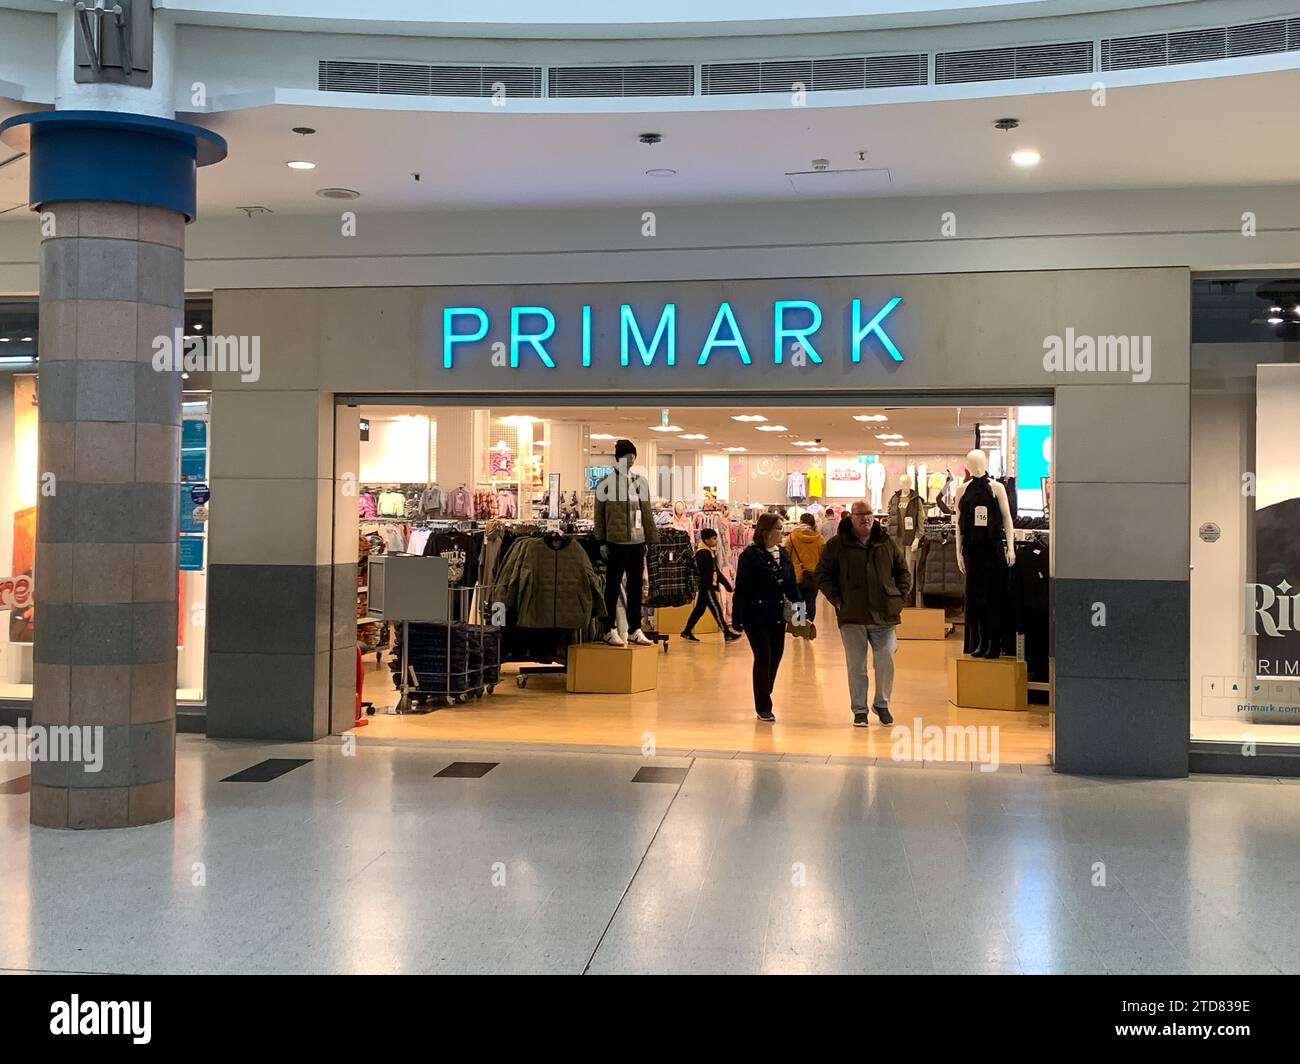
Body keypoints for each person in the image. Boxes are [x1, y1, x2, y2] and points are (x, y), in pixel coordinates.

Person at [815, 500, 912, 728]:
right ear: (851, 518)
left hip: (884, 615)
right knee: (856, 666)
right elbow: (821, 574)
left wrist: (898, 596)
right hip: (852, 615)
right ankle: (859, 710)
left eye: (868, 514)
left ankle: (882, 703)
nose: (866, 518)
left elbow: (902, 571)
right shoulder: (837, 545)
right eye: (860, 514)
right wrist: (837, 600)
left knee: (886, 658)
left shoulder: (886, 542)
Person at [732, 512, 800, 723]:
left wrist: (800, 615)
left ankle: (765, 690)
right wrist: (737, 618)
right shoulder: (750, 556)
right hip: (756, 615)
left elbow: (791, 585)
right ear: (766, 531)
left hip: (778, 615)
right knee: (763, 657)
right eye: (779, 528)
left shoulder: (784, 553)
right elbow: (741, 588)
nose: (782, 532)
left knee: (776, 657)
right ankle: (763, 705)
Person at [593, 438, 659, 647]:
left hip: (638, 542)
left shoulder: (640, 482)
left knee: (636, 585)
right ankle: (608, 628)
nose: (630, 460)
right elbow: (599, 515)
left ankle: (634, 628)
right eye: (627, 456)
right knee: (612, 586)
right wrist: (601, 541)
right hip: (616, 541)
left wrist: (650, 538)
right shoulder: (605, 484)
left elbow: (646, 512)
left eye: (633, 457)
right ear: (619, 458)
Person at [681, 527, 740, 642]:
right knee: (716, 609)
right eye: (714, 538)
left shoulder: (708, 552)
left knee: (699, 610)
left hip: (707, 586)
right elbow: (698, 570)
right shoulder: (703, 553)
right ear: (706, 540)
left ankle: (686, 632)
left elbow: (715, 571)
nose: (716, 541)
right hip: (707, 587)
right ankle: (727, 634)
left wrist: (726, 584)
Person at [784, 512, 824, 639]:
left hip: (796, 575)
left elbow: (786, 556)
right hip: (813, 575)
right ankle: (809, 626)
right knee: (811, 601)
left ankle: (798, 628)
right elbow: (823, 557)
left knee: (797, 601)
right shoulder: (819, 539)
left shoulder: (791, 537)